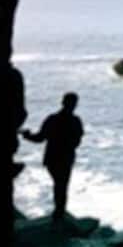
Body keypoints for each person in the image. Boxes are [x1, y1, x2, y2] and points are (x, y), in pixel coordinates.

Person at [22, 92, 83, 221]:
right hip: (65, 158)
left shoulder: (52, 119)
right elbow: (77, 142)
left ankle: (59, 212)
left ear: (62, 102)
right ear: (75, 105)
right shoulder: (75, 121)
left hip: (52, 158)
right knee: (62, 185)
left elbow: (39, 138)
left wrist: (27, 136)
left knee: (59, 184)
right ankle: (59, 212)